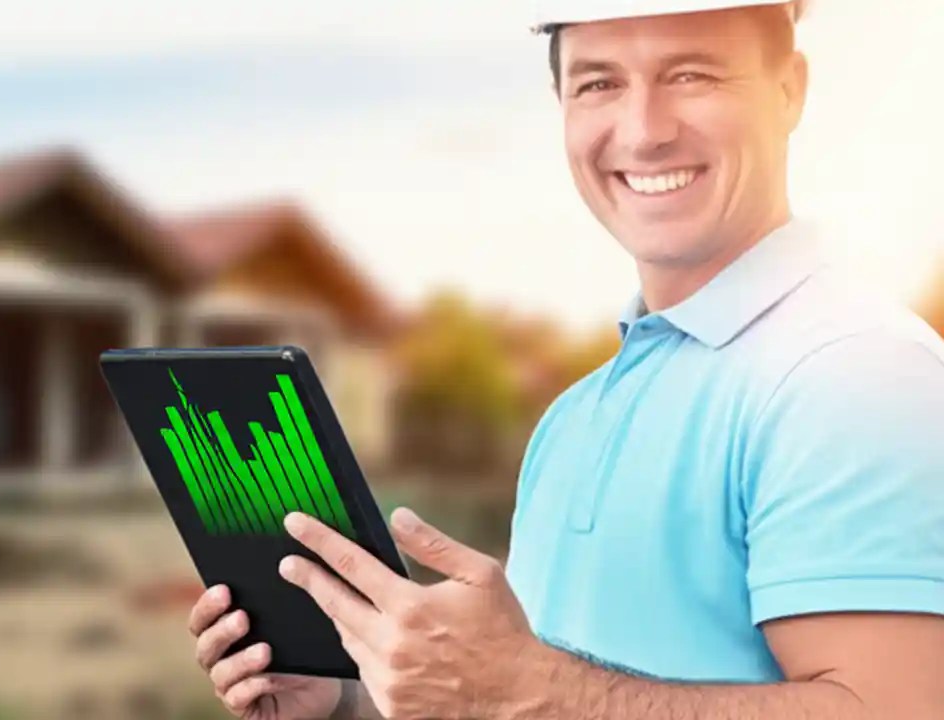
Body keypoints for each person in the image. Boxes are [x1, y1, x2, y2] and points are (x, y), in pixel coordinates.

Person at [187, 0, 944, 717]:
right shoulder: (574, 419)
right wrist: (347, 702)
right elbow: (520, 700)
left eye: (692, 74)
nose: (644, 131)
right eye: (599, 83)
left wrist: (528, 690)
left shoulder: (857, 375)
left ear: (789, 90)